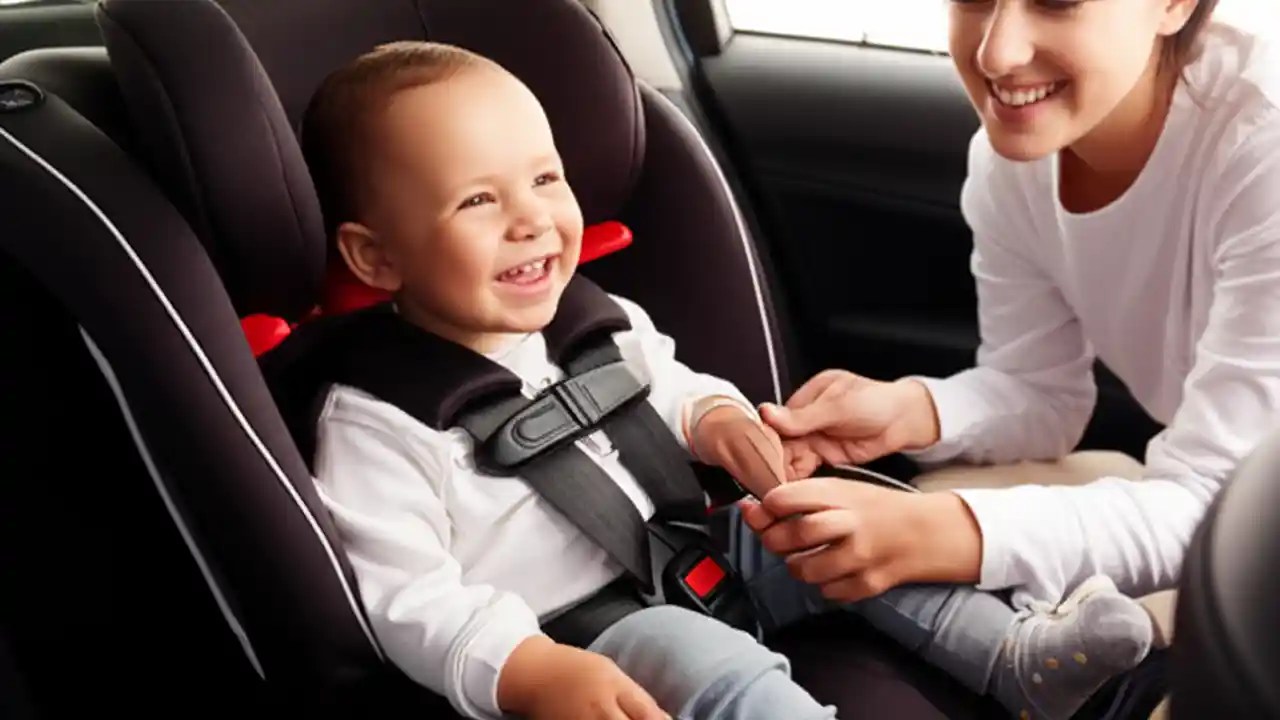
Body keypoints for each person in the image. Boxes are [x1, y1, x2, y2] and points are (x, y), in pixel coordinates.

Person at [740, 0, 1280, 712]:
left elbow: (1218, 499)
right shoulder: (1011, 156)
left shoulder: (1262, 148)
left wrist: (950, 534)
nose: (995, 53)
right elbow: (1041, 394)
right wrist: (910, 411)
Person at [295, 40, 836, 720]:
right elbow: (406, 595)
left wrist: (716, 419)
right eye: (479, 200)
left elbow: (664, 386)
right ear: (376, 256)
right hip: (581, 634)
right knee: (728, 671)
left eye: (545, 180)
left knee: (851, 537)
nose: (530, 220)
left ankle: (1006, 653)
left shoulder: (591, 322)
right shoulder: (378, 422)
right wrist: (525, 669)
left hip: (691, 550)